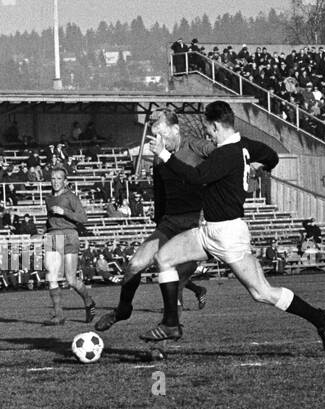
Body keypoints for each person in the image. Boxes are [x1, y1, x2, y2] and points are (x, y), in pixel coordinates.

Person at [138, 101, 325, 352]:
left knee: (262, 293)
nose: (206, 133)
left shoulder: (227, 153)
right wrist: (258, 165)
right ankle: (170, 323)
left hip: (227, 235)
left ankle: (321, 319)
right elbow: (271, 155)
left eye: (207, 128)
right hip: (210, 230)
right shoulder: (244, 147)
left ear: (216, 125)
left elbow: (196, 178)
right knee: (164, 257)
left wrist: (164, 155)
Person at [94, 110, 207, 333]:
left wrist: (251, 161)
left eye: (162, 135)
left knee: (176, 280)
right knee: (135, 264)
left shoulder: (197, 147)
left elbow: (228, 156)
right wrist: (159, 225)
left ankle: (168, 333)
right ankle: (123, 310)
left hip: (196, 225)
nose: (158, 142)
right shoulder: (159, 156)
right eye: (155, 138)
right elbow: (160, 193)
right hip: (169, 224)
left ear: (176, 130)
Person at [41, 163, 97, 325]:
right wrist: (43, 231)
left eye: (59, 178)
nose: (55, 181)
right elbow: (50, 219)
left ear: (65, 181)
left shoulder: (70, 197)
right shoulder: (48, 198)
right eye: (53, 178)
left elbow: (83, 218)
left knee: (71, 280)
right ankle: (59, 315)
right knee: (51, 276)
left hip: (70, 237)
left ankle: (89, 301)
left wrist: (64, 211)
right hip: (52, 237)